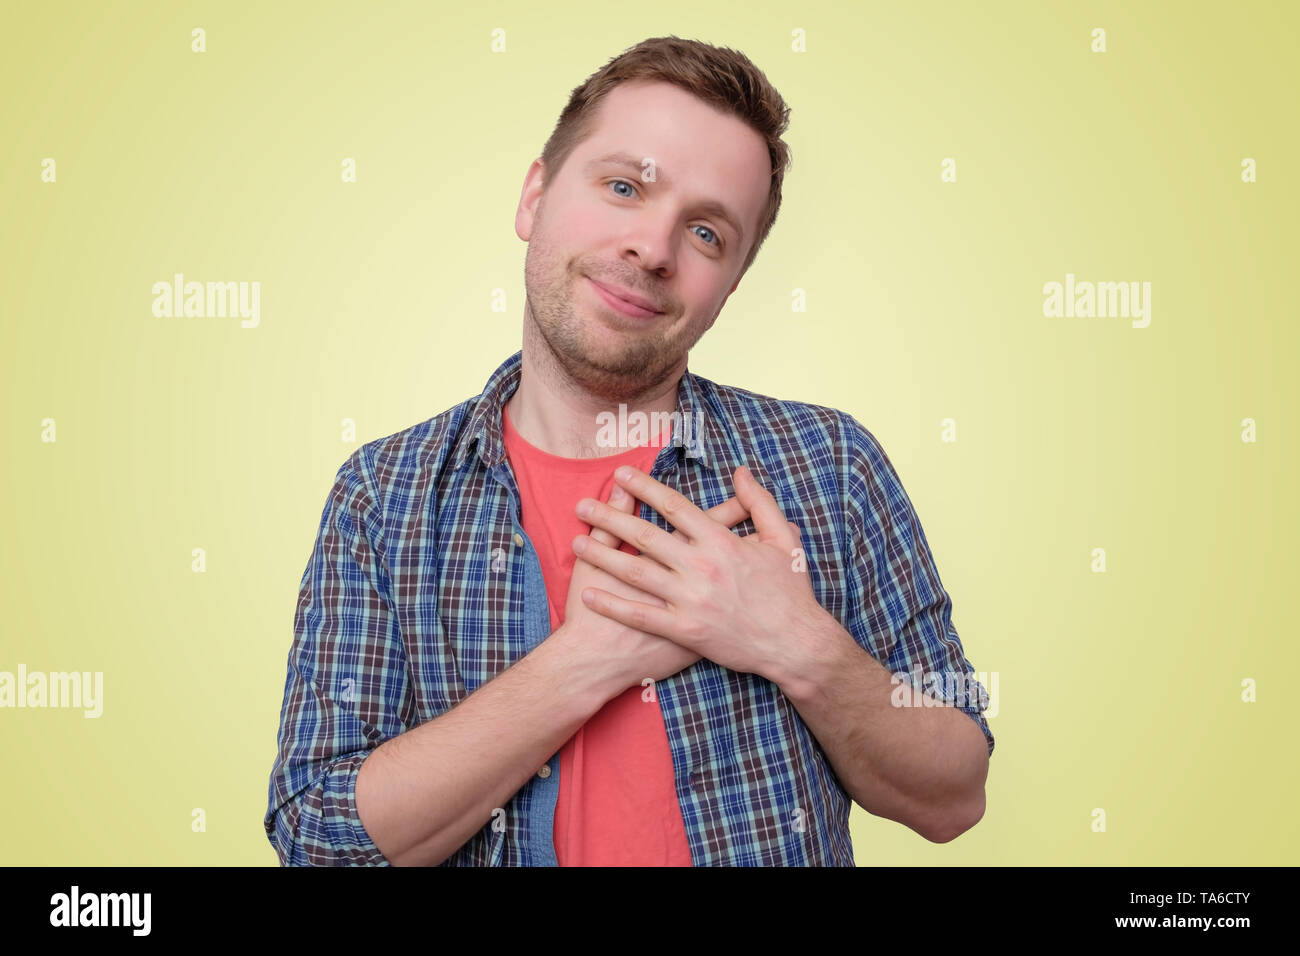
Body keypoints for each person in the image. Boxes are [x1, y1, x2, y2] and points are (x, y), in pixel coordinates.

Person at [264, 35, 994, 867]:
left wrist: (798, 643)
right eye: (624, 187)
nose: (654, 248)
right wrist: (583, 664)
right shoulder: (383, 495)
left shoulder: (831, 464)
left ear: (733, 283)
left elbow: (955, 791)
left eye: (709, 233)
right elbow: (319, 836)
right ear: (535, 197)